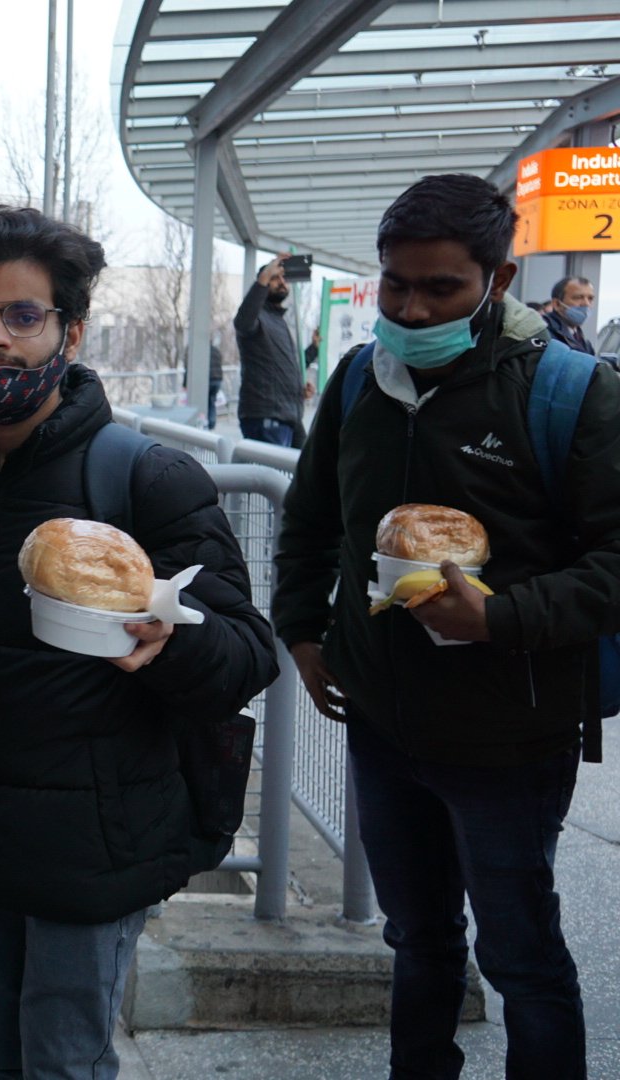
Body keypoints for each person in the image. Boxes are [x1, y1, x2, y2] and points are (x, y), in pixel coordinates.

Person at [0, 206, 277, 1079]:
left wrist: (168, 647)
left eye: (23, 316)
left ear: (71, 331)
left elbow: (247, 648)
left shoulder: (145, 476)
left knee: (62, 1062)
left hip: (89, 839)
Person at [274, 174, 620, 1080]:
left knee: (520, 957)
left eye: (441, 288)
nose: (411, 305)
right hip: (382, 726)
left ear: (497, 280)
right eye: (396, 284)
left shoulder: (569, 393)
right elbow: (311, 524)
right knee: (418, 939)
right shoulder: (358, 379)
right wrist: (306, 636)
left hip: (509, 734)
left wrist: (502, 617)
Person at [234, 258, 305, 445]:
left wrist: (298, 389)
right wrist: (265, 275)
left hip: (289, 417)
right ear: (264, 282)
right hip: (267, 418)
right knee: (274, 474)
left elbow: (278, 365)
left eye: (283, 278)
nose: (282, 282)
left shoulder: (278, 320)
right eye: (275, 278)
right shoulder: (257, 317)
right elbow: (242, 321)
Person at [544, 275, 597, 354]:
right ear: (557, 304)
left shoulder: (583, 341)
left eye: (590, 298)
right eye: (578, 297)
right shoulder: (544, 332)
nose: (586, 304)